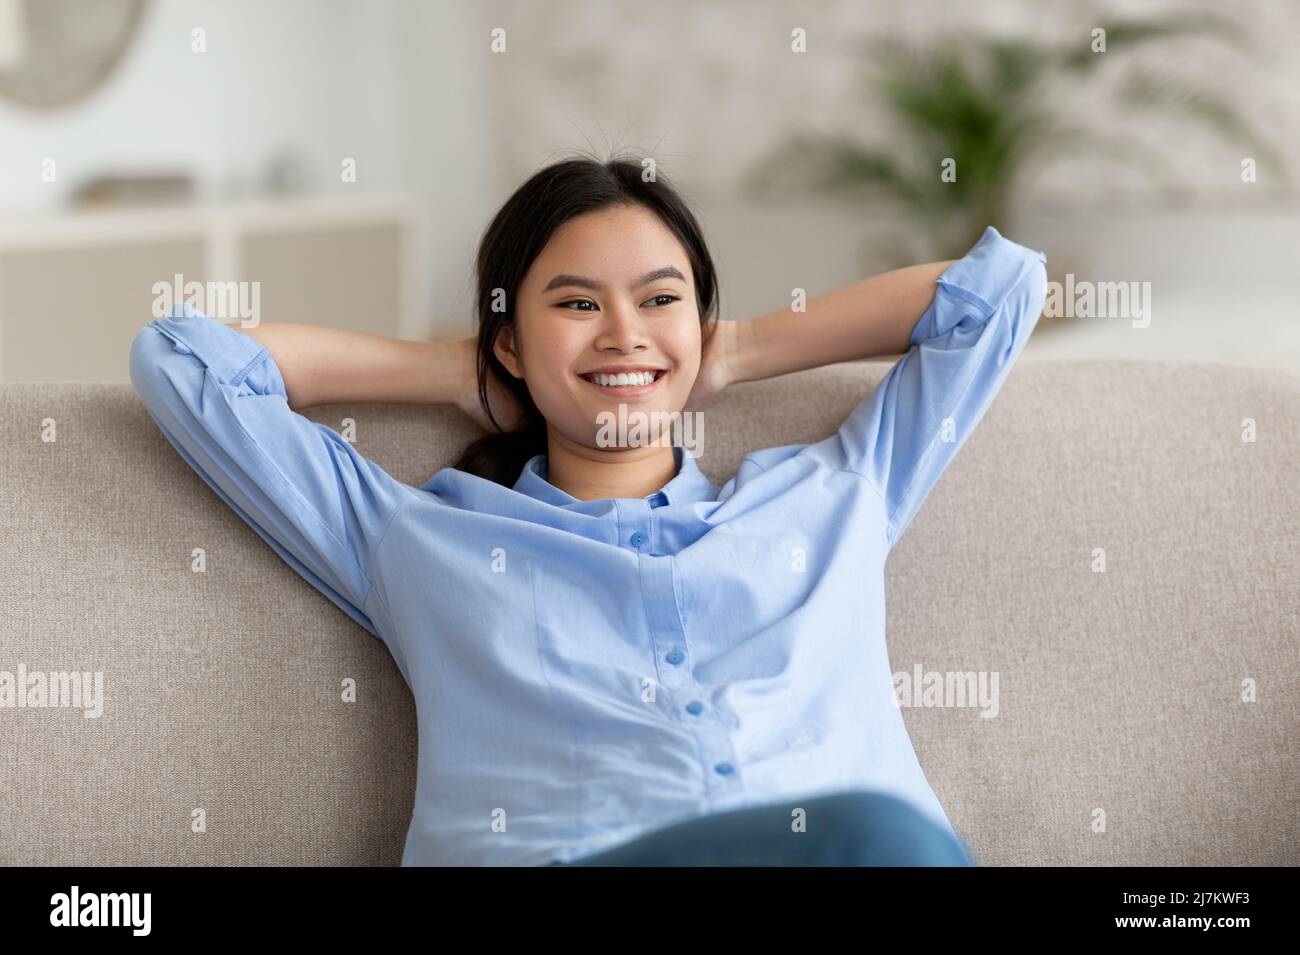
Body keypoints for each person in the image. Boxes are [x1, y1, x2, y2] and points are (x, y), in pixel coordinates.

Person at [129, 152, 1046, 866]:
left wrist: (740, 350)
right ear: (513, 343)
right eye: (575, 304)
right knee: (884, 840)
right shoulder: (424, 538)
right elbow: (181, 357)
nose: (623, 333)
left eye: (660, 299)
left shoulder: (832, 498)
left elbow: (1001, 293)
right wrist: (456, 372)